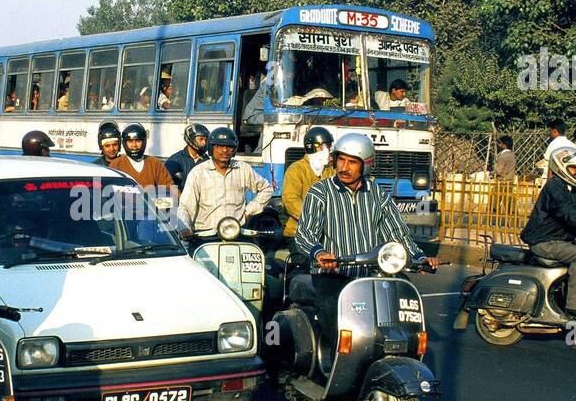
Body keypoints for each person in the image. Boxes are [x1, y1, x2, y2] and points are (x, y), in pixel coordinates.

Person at [292, 133, 438, 360]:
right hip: (333, 276)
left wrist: (419, 257)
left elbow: (397, 233)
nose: (344, 167)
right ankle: (334, 364)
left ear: (365, 164)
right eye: (341, 160)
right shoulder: (320, 192)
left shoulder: (378, 194)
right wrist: (318, 252)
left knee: (401, 308)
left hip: (371, 276)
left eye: (352, 162)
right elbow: (305, 233)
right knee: (336, 318)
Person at [519, 146, 576, 324]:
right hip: (544, 241)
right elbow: (571, 214)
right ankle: (575, 308)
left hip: (558, 238)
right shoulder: (555, 188)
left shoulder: (571, 187)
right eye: (574, 167)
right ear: (561, 167)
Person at [178, 126, 271, 241]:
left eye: (229, 147)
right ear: (211, 148)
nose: (224, 151)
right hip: (206, 235)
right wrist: (184, 228)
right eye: (219, 146)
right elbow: (185, 207)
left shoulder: (243, 169)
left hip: (237, 233)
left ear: (234, 149)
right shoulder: (198, 173)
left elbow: (267, 188)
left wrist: (249, 210)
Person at [281, 127, 334, 241]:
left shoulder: (331, 171)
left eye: (329, 147)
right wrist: (314, 218)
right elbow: (291, 200)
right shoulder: (296, 169)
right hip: (298, 232)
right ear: (314, 148)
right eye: (326, 147)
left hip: (328, 234)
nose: (329, 150)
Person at [110, 124, 175, 190]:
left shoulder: (155, 164)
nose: (134, 145)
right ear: (124, 143)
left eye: (138, 141)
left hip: (151, 200)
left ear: (144, 142)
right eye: (130, 141)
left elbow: (170, 188)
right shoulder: (116, 165)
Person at [164, 123, 208, 191]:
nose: (204, 143)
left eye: (206, 140)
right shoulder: (176, 160)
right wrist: (180, 196)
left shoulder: (207, 160)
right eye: (201, 139)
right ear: (191, 138)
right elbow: (165, 185)